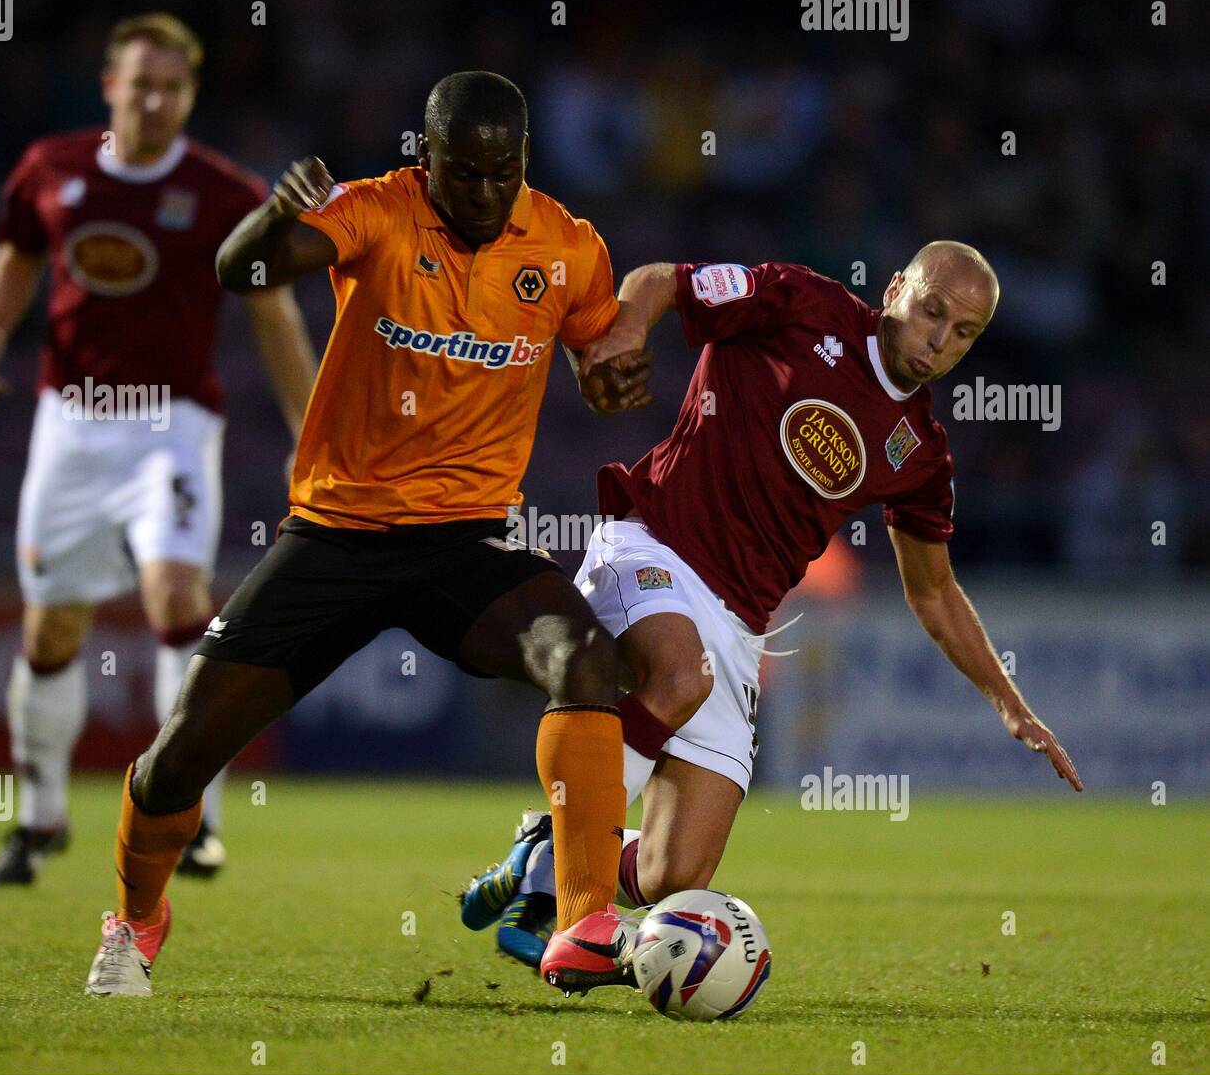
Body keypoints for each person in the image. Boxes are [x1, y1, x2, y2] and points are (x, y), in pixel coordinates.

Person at [85, 70, 655, 997]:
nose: (481, 191)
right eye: (462, 172)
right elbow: (242, 271)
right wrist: (275, 217)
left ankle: (584, 920)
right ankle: (135, 922)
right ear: (423, 159)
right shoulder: (375, 212)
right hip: (336, 536)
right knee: (177, 757)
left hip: (464, 542)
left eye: (501, 172)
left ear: (524, 164)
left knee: (585, 658)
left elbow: (601, 346)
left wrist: (609, 376)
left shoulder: (566, 245)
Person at [459, 244, 1082, 992]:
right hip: (651, 542)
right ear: (895, 289)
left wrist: (1009, 705)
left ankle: (543, 854)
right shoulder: (799, 302)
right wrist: (624, 336)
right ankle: (570, 900)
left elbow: (934, 593)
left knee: (671, 874)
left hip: (741, 620)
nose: (938, 341)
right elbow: (659, 283)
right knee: (678, 675)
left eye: (963, 333)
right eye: (931, 312)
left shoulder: (921, 453)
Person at [0, 13, 317, 886]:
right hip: (71, 425)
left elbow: (272, 312)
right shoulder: (54, 169)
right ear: (110, 84)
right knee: (53, 626)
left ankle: (193, 816)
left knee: (176, 597)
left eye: (172, 86)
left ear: (190, 95)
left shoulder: (225, 194)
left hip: (173, 426)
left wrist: (312, 431)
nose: (154, 100)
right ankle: (39, 816)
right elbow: (15, 254)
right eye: (140, 83)